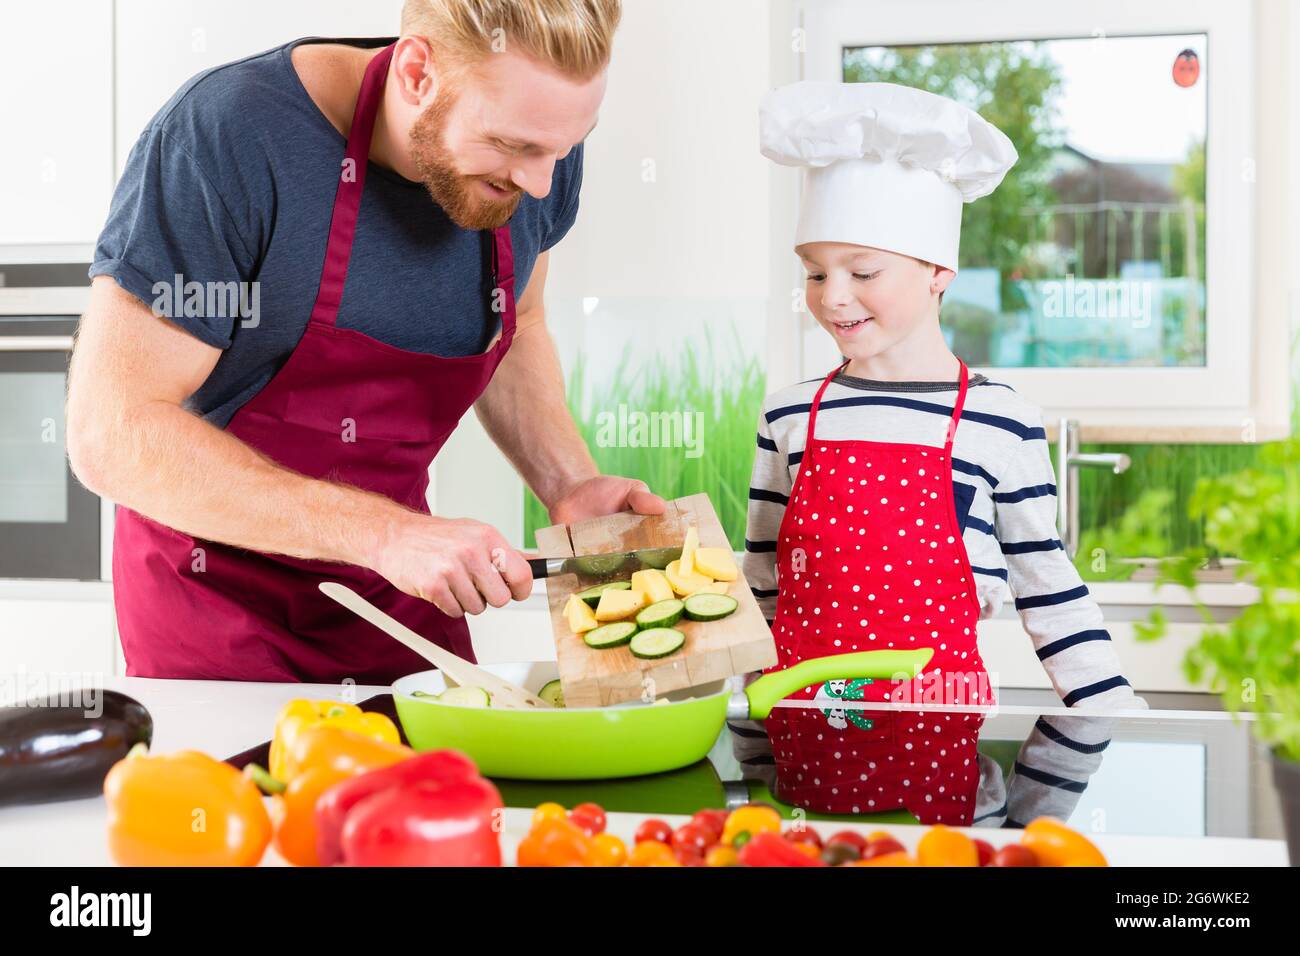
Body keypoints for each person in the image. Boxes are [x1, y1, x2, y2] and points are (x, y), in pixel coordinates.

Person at [66, 0, 663, 683]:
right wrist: (382, 533)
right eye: (511, 146)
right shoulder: (230, 138)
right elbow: (110, 434)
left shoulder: (535, 145)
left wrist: (570, 482)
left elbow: (516, 322)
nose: (539, 183)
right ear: (416, 74)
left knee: (443, 789)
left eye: (562, 148)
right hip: (214, 601)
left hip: (397, 594)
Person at [732, 81, 1146, 825]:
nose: (833, 296)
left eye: (863, 272)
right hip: (800, 759)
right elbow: (762, 574)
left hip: (944, 757)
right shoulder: (790, 413)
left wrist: (1110, 711)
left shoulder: (1000, 421)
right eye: (815, 272)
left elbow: (1045, 581)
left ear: (937, 274)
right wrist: (745, 726)